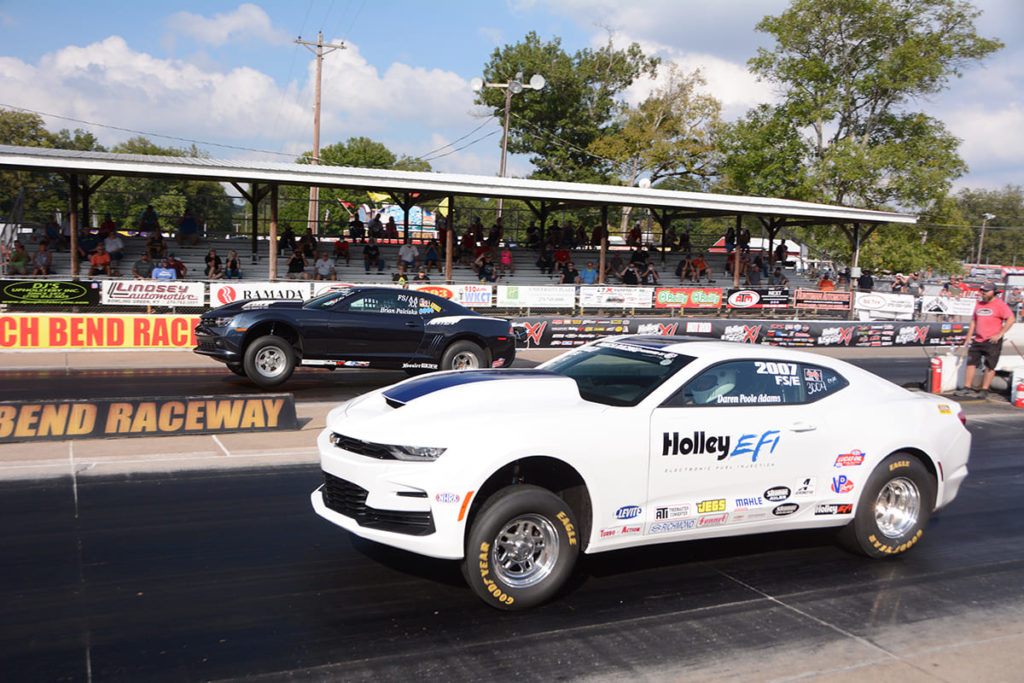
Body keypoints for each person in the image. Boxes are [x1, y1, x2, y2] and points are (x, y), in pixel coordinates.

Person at [958, 282, 1015, 399]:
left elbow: (1011, 319)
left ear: (993, 292)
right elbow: (974, 321)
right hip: (978, 339)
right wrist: (969, 337)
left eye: (986, 291)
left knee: (990, 365)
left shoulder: (1000, 305)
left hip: (992, 340)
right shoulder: (979, 304)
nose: (983, 293)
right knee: (971, 363)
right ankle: (967, 387)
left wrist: (1000, 334)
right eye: (982, 291)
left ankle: (984, 389)